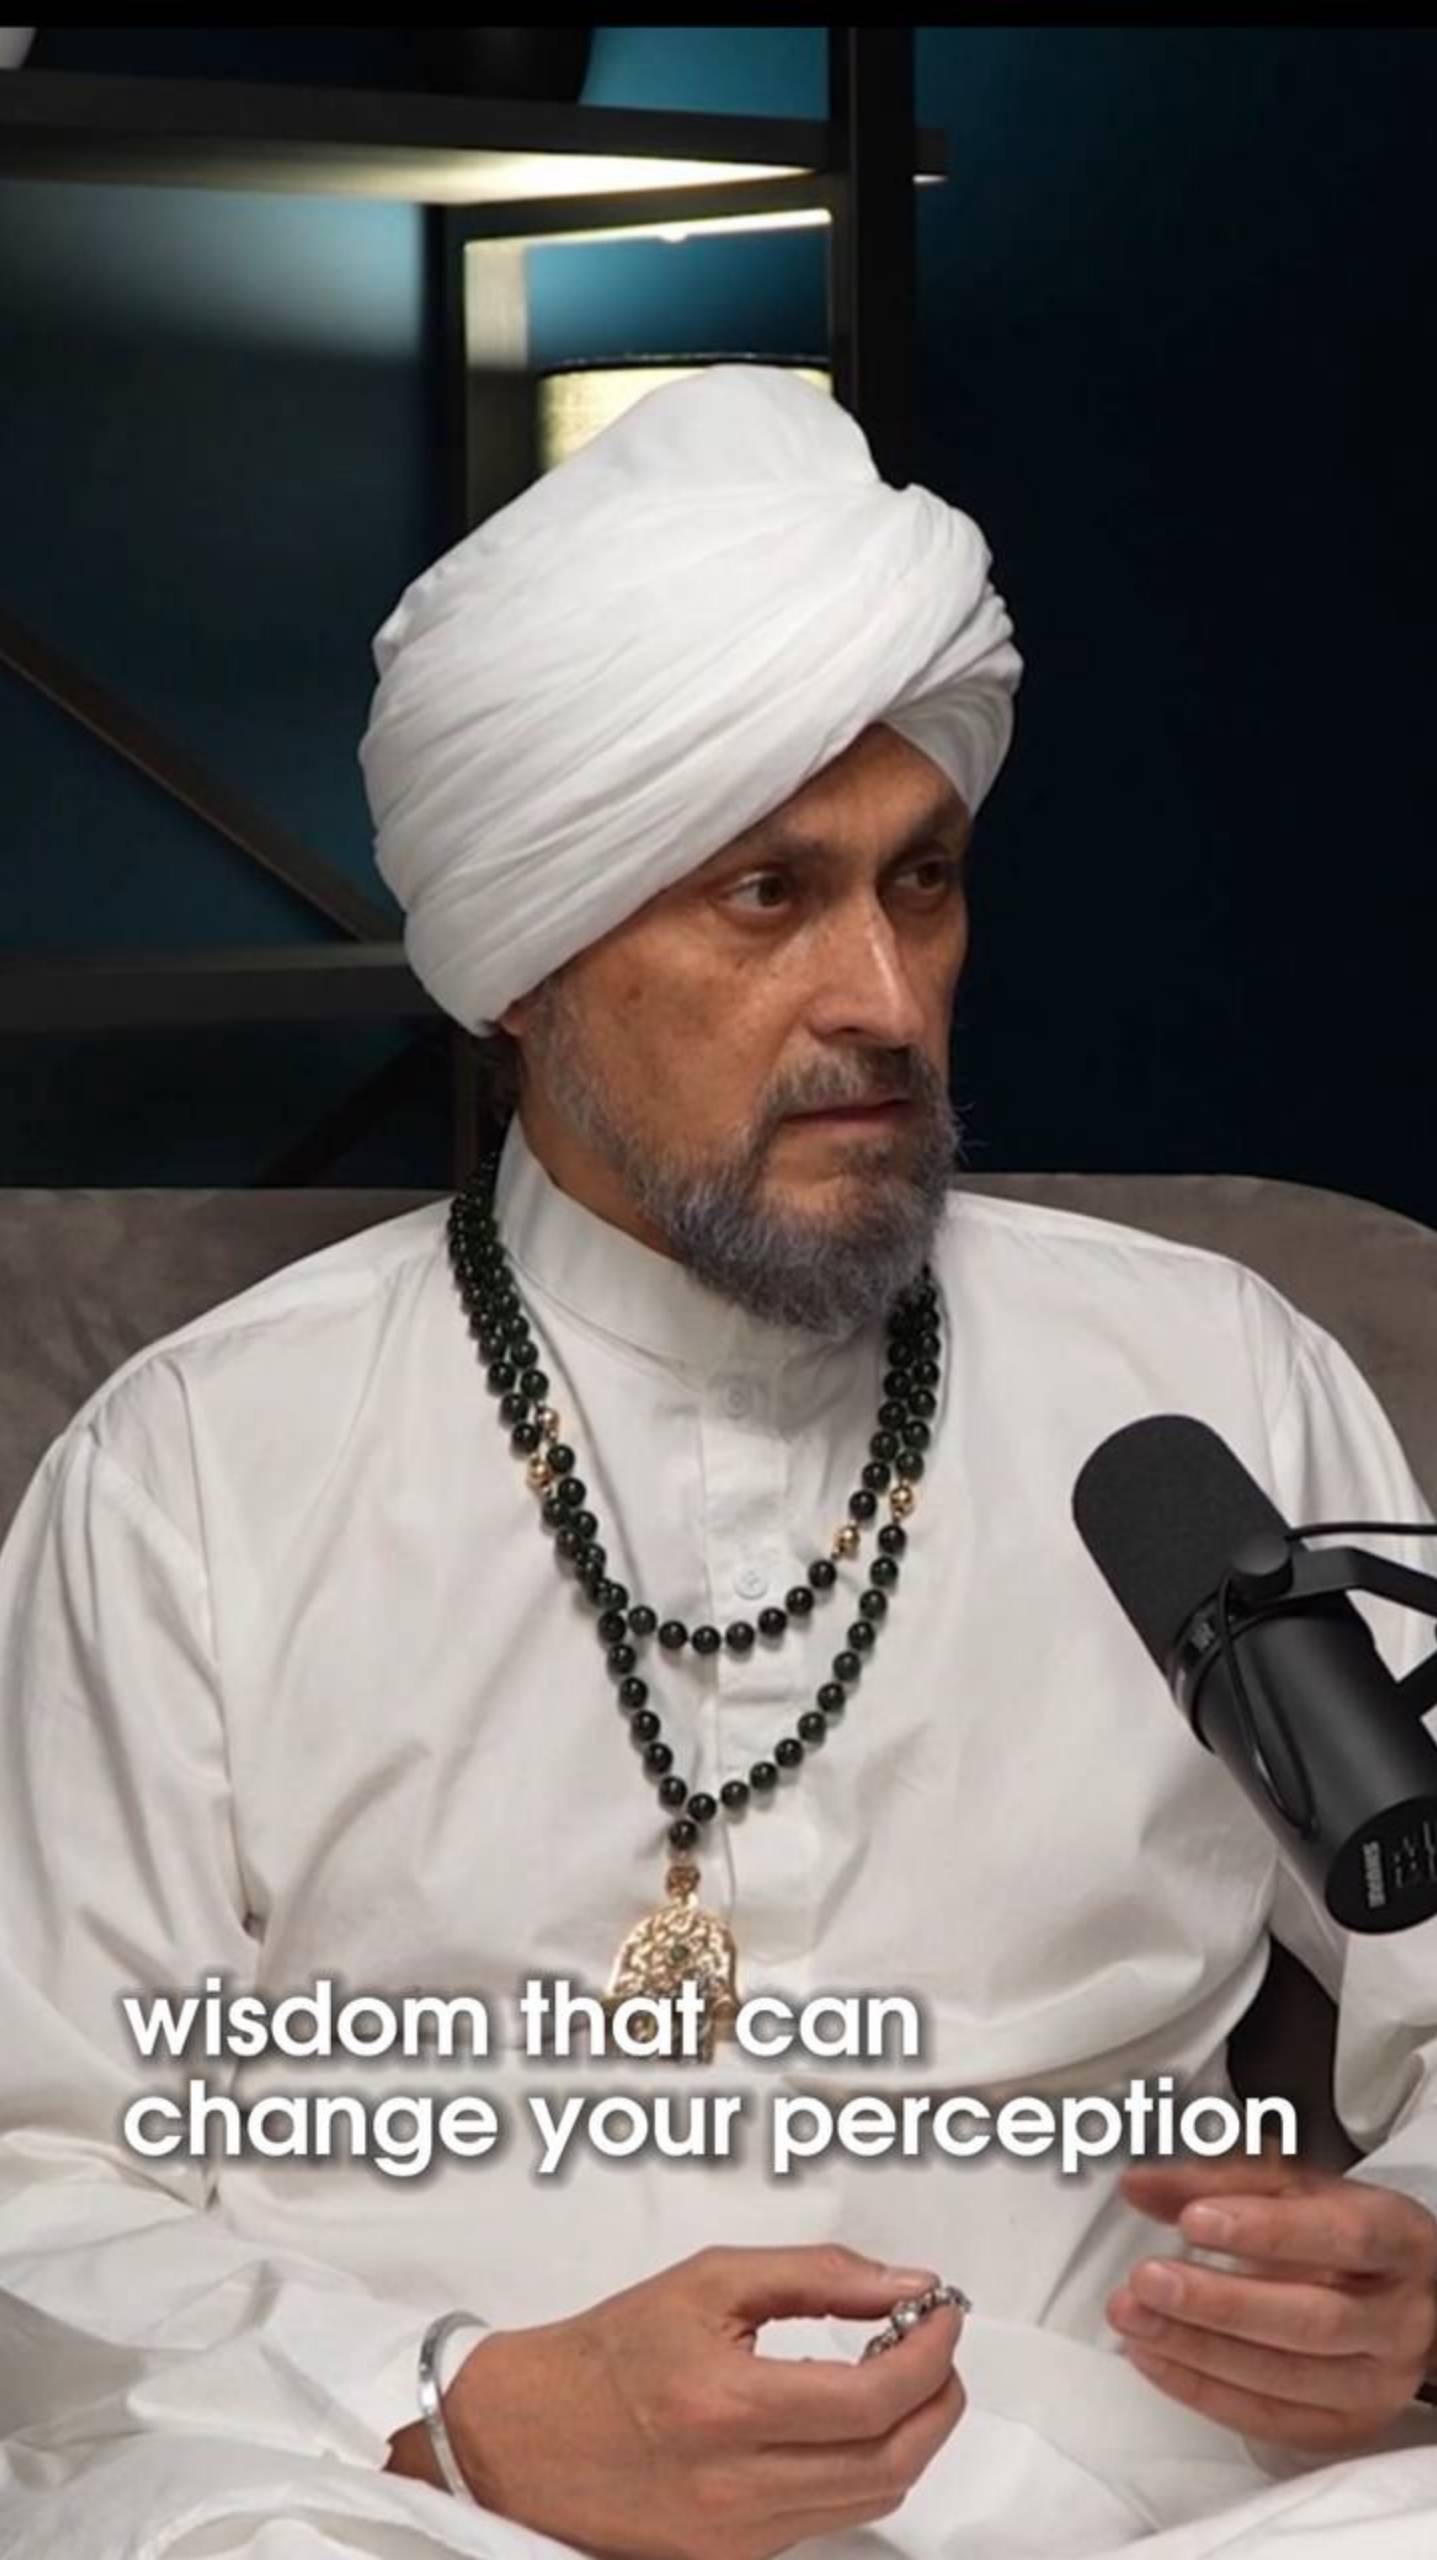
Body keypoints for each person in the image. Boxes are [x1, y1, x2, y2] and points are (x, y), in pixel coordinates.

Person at [1, 366, 1435, 2560]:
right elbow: (41, 2163)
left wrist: (1414, 2274)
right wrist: (453, 2412)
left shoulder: (1198, 1380)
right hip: (425, 2500)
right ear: (527, 962)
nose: (884, 998)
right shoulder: (200, 1467)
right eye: (766, 893)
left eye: (920, 882)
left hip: (1102, 2485)